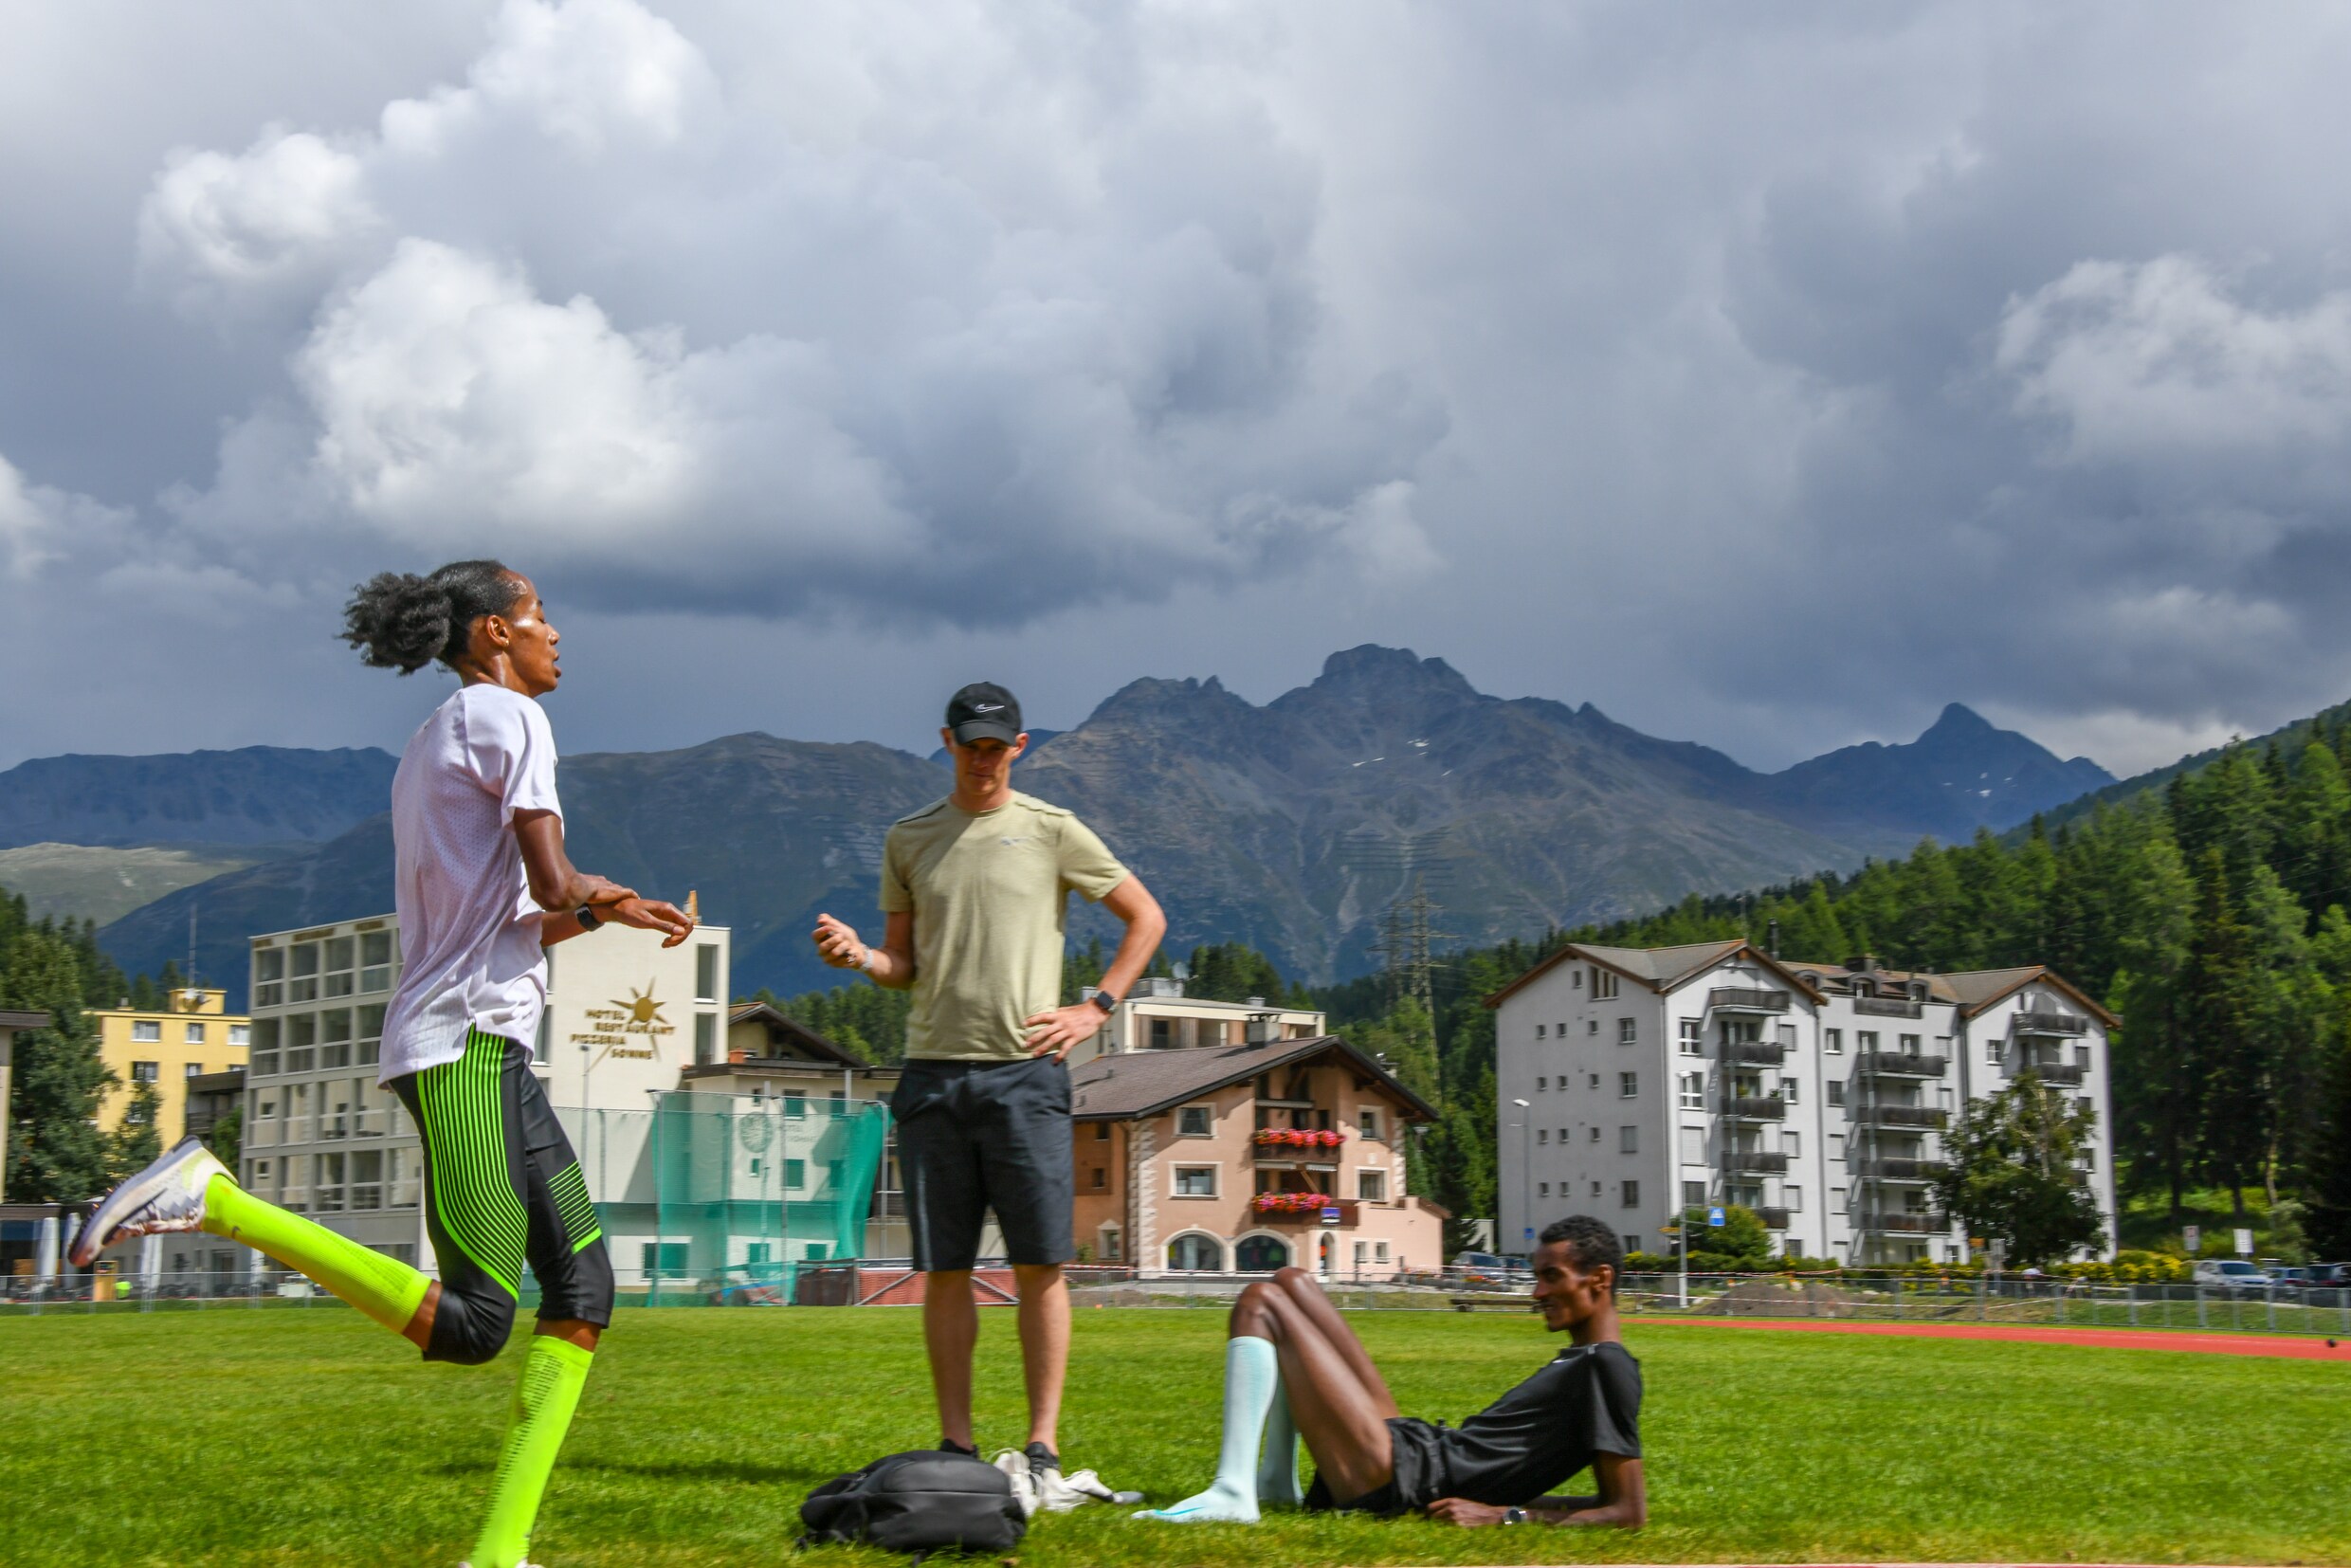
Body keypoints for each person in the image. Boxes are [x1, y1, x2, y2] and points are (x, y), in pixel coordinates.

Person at [73, 560, 693, 1568]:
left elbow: (521, 921)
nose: (556, 634)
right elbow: (551, 881)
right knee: (478, 1323)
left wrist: (598, 912)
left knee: (582, 1289)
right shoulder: (510, 718)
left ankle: (499, 1551)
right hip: (461, 1046)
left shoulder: (439, 737)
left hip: (488, 1045)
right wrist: (599, 891)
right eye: (540, 616)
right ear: (495, 631)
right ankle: (216, 1201)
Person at [811, 681, 1166, 1491]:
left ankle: (1042, 1448)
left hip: (1025, 1078)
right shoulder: (910, 838)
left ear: (1019, 747)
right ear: (947, 742)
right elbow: (903, 964)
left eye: (995, 747)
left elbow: (1146, 917)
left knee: (1041, 1265)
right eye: (969, 745)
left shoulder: (1052, 829)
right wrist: (860, 957)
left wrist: (1096, 1008)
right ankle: (956, 1447)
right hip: (934, 1076)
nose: (982, 759)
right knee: (945, 1269)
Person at [1138, 1214, 1647, 1528]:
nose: (1537, 1292)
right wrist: (1509, 1504)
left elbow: (1626, 1510)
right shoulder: (1582, 1357)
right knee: (1292, 1280)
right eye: (1537, 1277)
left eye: (1552, 1277)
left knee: (1261, 1302)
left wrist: (1505, 1516)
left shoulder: (1607, 1365)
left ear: (1600, 1279)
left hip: (1410, 1478)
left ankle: (1233, 1492)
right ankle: (1273, 1482)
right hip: (1423, 1452)